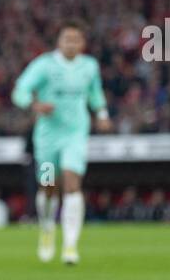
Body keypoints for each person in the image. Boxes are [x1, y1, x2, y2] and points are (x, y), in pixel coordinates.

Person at [11, 20, 111, 264]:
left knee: (72, 182)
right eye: (67, 39)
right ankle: (47, 229)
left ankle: (70, 246)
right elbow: (20, 90)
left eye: (76, 40)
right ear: (59, 42)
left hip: (75, 134)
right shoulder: (44, 66)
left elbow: (95, 93)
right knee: (47, 187)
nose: (71, 44)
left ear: (82, 43)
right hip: (47, 138)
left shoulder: (89, 66)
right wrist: (34, 105)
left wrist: (102, 115)